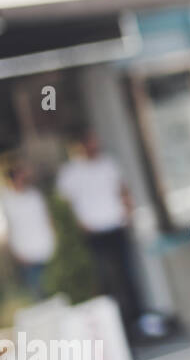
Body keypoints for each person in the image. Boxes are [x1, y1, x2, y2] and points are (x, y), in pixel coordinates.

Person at [56, 132, 148, 343]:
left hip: (116, 225)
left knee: (127, 274)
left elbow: (122, 188)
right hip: (94, 231)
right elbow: (66, 204)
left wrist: (128, 210)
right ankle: (114, 328)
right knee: (105, 278)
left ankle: (136, 322)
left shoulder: (108, 163)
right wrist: (80, 223)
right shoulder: (71, 172)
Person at [1, 164, 56, 297]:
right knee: (37, 292)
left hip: (46, 249)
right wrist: (16, 252)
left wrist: (54, 240)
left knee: (55, 288)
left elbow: (47, 219)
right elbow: (7, 231)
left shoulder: (34, 196)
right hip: (26, 255)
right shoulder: (6, 202)